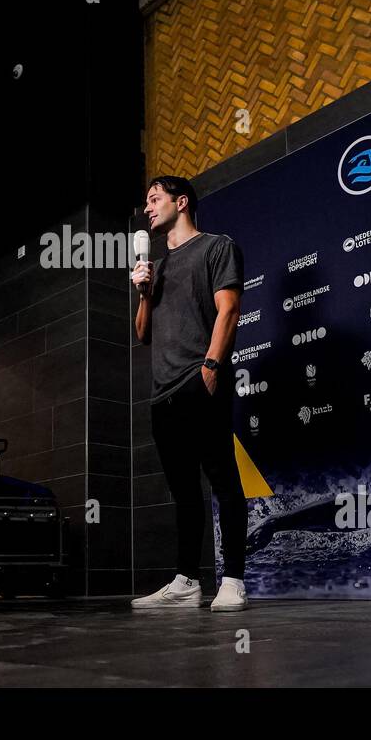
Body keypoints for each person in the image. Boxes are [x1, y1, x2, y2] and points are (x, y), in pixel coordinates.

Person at [130, 175, 248, 612]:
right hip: (163, 394)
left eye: (154, 198)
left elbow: (229, 309)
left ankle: (233, 579)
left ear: (181, 202)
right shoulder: (155, 269)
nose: (148, 207)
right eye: (146, 202)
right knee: (183, 492)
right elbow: (143, 333)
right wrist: (144, 294)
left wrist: (212, 368)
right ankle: (187, 581)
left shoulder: (217, 247)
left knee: (223, 480)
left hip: (200, 382)